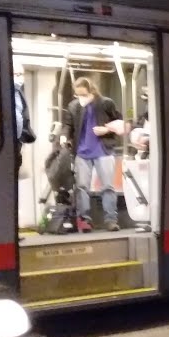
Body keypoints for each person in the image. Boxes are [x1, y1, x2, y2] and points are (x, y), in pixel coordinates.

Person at [60, 77, 123, 232]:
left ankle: (111, 220)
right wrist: (64, 135)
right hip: (82, 152)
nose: (80, 98)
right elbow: (68, 125)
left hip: (103, 150)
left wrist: (107, 129)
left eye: (83, 95)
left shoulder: (106, 103)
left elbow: (120, 122)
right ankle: (85, 221)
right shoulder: (74, 106)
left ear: (91, 91)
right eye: (78, 95)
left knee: (107, 187)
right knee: (82, 187)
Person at [12, 63, 37, 172]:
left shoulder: (18, 93)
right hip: (9, 141)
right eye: (16, 74)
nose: (20, 77)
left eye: (21, 74)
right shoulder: (5, 93)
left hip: (17, 143)